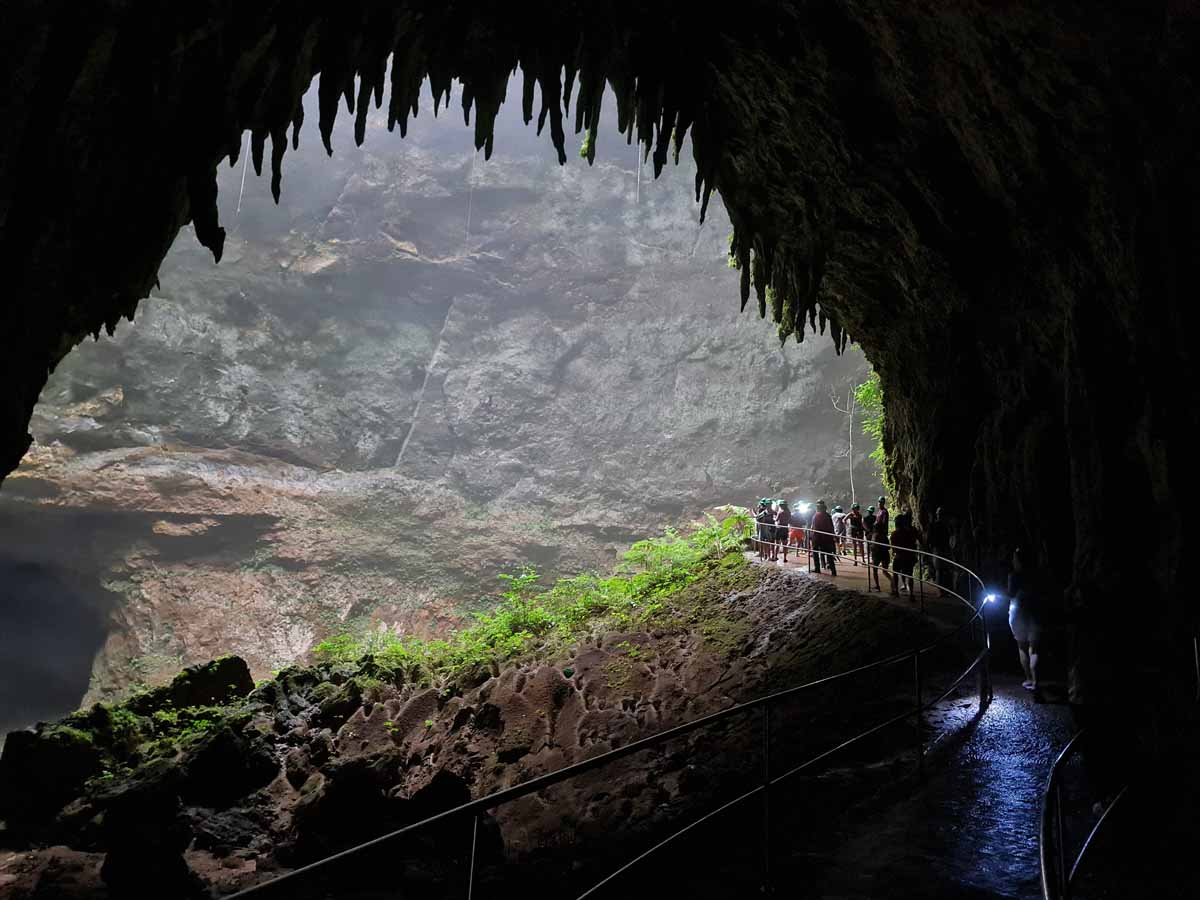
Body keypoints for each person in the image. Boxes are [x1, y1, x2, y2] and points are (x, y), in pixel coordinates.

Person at [1007, 547, 1042, 691]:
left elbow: (1010, 594)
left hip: (1018, 611)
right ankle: (1036, 682)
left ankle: (1028, 678)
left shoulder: (1013, 575)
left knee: (1022, 645)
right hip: (1034, 611)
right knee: (1034, 649)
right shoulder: (1038, 574)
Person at [890, 512, 919, 597]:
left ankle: (896, 592)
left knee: (895, 573)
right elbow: (913, 543)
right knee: (910, 575)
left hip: (899, 556)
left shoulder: (894, 534)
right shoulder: (909, 532)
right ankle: (911, 594)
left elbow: (893, 548)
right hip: (909, 556)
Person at [809, 499, 838, 576]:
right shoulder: (828, 515)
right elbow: (831, 527)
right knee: (829, 554)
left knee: (815, 553)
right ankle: (833, 570)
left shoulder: (816, 516)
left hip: (818, 537)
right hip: (827, 538)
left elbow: (814, 527)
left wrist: (812, 536)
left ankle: (817, 568)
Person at [928, 506, 952, 592]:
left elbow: (929, 538)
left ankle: (943, 589)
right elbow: (930, 538)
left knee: (942, 570)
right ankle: (940, 590)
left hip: (942, 548)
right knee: (939, 570)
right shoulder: (937, 525)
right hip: (938, 549)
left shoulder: (942, 525)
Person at [869, 506, 891, 592]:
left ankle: (877, 586)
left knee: (875, 570)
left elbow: (873, 546)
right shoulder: (884, 536)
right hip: (885, 554)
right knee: (885, 571)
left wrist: (872, 548)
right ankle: (893, 584)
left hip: (877, 555)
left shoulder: (875, 536)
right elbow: (888, 546)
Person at [774, 499, 792, 563]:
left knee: (777, 543)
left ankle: (775, 556)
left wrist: (774, 518)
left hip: (779, 528)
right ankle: (785, 558)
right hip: (785, 528)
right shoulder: (788, 512)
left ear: (781, 506)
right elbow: (790, 520)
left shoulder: (780, 512)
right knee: (784, 544)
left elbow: (776, 520)